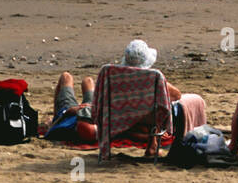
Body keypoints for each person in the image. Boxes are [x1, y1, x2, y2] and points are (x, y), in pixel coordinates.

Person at [45, 39, 184, 148]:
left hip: (98, 112)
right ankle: (61, 115)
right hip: (99, 113)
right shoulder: (154, 80)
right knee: (87, 81)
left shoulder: (117, 77)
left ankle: (55, 120)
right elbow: (177, 95)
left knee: (67, 77)